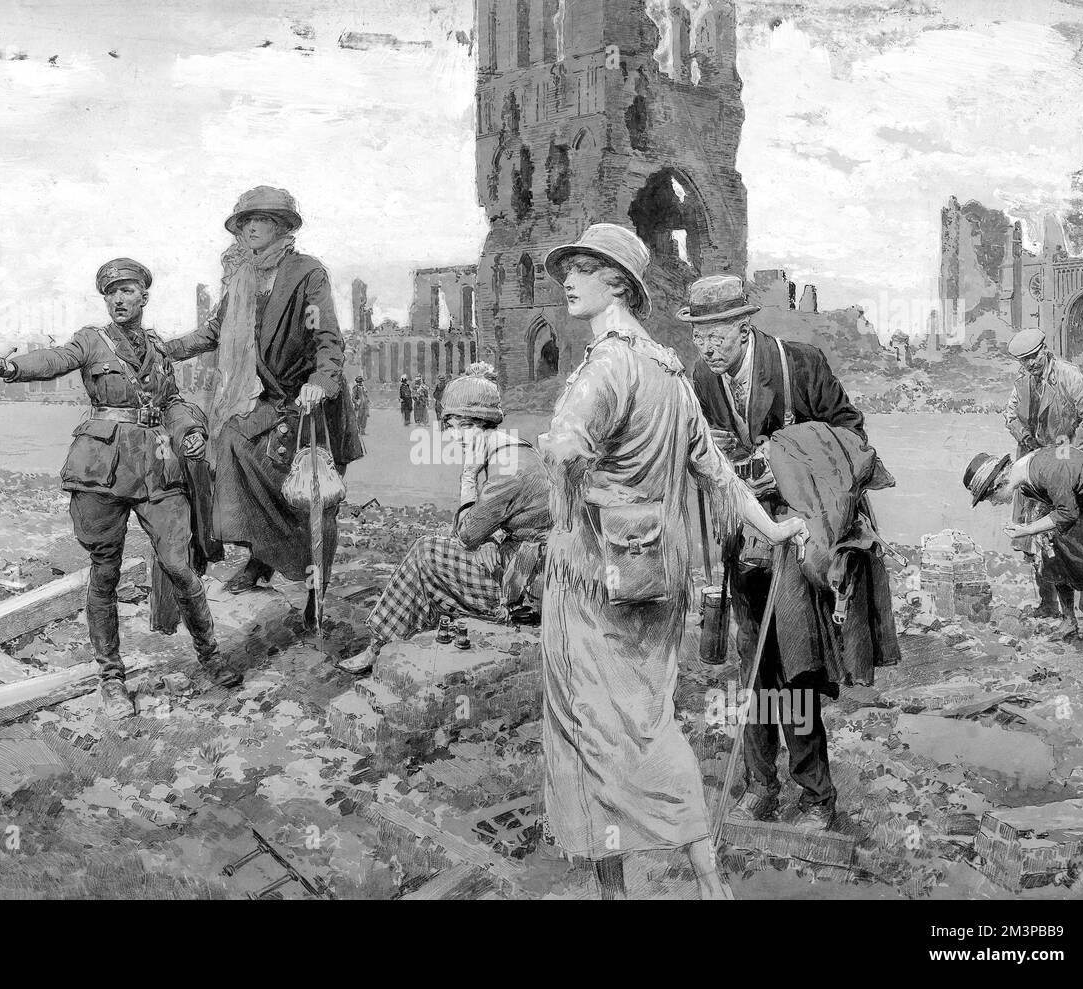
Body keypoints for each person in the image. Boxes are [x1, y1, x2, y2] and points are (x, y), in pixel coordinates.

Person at [539, 225, 809, 900]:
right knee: (649, 721)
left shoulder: (606, 365)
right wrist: (772, 524)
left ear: (619, 285)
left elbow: (567, 445)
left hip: (595, 578)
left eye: (584, 269)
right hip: (658, 578)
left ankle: (615, 892)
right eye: (568, 267)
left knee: (594, 732)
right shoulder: (667, 366)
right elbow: (716, 471)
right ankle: (711, 884)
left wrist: (568, 497)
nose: (569, 279)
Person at [0, 259, 240, 720]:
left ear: (144, 297)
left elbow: (179, 384)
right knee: (104, 572)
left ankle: (210, 654)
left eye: (128, 291)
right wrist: (7, 366)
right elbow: (54, 359)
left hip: (157, 472)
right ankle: (111, 677)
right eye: (112, 294)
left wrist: (188, 424)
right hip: (102, 471)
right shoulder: (92, 340)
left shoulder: (157, 347)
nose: (119, 300)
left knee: (179, 566)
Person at [687, 273, 885, 833]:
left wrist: (786, 456)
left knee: (797, 663)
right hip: (744, 537)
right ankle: (760, 787)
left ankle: (817, 797)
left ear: (743, 324)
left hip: (800, 533)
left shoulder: (801, 364)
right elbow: (702, 455)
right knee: (753, 666)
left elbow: (854, 440)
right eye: (697, 335)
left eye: (715, 334)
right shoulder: (705, 376)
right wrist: (715, 453)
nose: (705, 347)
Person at [160, 186, 363, 615]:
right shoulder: (242, 279)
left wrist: (321, 382)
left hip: (313, 403)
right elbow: (213, 332)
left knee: (312, 496)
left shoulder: (307, 273)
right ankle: (260, 556)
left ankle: (314, 591)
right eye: (246, 221)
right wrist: (168, 348)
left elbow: (325, 335)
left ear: (283, 228)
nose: (252, 228)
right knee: (232, 440)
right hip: (275, 400)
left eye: (263, 220)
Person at [336, 363, 550, 675]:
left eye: (451, 426)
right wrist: (488, 541)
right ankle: (396, 642)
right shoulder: (516, 451)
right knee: (437, 551)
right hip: (528, 566)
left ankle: (380, 644)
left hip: (528, 588)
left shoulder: (505, 467)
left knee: (426, 553)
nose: (450, 436)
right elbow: (496, 523)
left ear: (472, 425)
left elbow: (465, 533)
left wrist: (467, 477)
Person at [967, 448, 1083, 657]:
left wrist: (1028, 529)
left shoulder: (1046, 470)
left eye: (990, 497)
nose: (994, 502)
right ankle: (1068, 620)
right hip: (1077, 501)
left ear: (998, 483)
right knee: (1053, 554)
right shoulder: (1024, 484)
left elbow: (1067, 513)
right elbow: (1056, 509)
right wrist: (1039, 535)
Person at [1003, 328, 1083, 625]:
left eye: (1034, 357)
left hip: (1066, 464)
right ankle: (1048, 605)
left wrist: (1069, 455)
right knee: (1036, 536)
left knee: (1075, 538)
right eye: (1024, 361)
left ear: (1045, 350)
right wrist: (1024, 435)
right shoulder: (1022, 382)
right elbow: (1009, 415)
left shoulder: (1068, 376)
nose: (1031, 364)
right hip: (1035, 466)